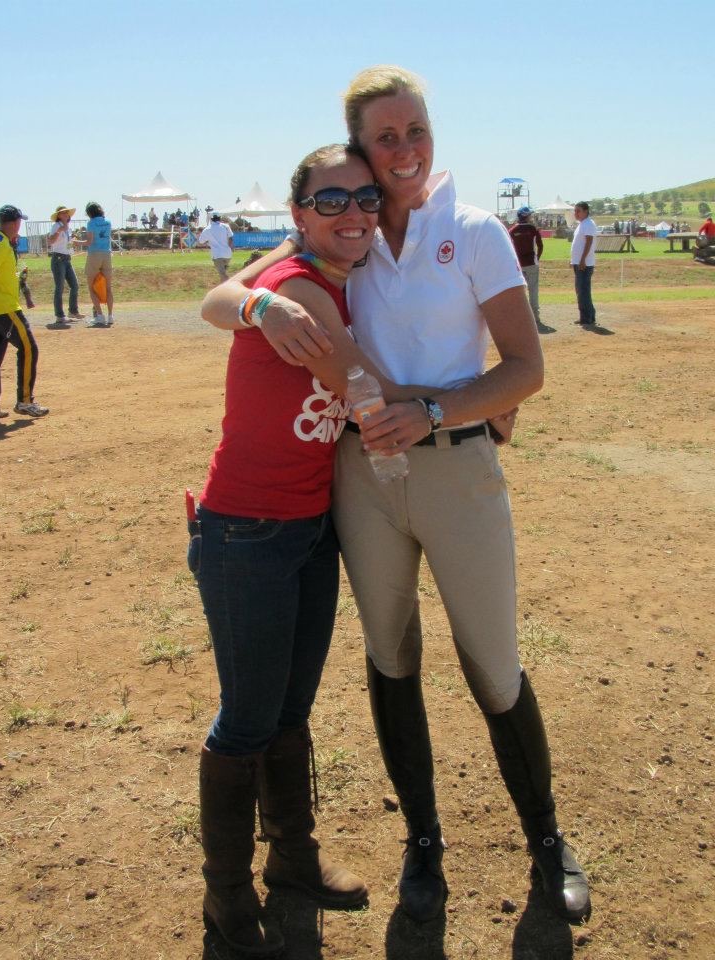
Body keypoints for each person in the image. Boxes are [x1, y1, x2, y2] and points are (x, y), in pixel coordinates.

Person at [203, 65, 590, 926]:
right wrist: (259, 310)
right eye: (387, 138)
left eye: (416, 130)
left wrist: (435, 410)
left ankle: (546, 838)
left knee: (493, 664)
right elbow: (226, 293)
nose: (406, 151)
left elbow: (527, 369)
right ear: (360, 152)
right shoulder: (348, 233)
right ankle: (423, 842)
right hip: (359, 477)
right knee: (390, 655)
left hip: (453, 467)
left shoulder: (478, 230)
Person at [195, 142, 442, 956]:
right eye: (330, 201)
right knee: (247, 720)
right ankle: (227, 899)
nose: (354, 214)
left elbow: (223, 292)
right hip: (247, 535)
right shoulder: (299, 290)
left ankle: (292, 862)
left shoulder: (326, 277)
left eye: (366, 198)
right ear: (300, 216)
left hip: (308, 531)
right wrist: (481, 400)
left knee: (289, 713)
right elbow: (364, 387)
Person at [0, 205, 49, 419]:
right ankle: (25, 401)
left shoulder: (2, 242)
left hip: (0, 307)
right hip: (5, 308)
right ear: (15, 222)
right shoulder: (0, 244)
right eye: (19, 222)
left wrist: (17, 278)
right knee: (29, 348)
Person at [47, 205, 84, 327]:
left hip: (67, 259)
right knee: (60, 287)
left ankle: (72, 311)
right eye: (63, 213)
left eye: (66, 213)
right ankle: (59, 315)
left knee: (74, 285)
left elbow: (67, 245)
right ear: (58, 215)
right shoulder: (56, 226)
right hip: (58, 258)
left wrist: (72, 244)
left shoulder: (68, 229)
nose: (65, 215)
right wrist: (59, 231)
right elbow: (51, 241)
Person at [508, 206, 544, 326]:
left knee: (519, 292)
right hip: (532, 264)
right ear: (526, 216)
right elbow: (540, 246)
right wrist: (536, 258)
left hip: (518, 265)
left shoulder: (512, 230)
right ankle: (535, 317)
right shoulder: (533, 229)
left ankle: (520, 317)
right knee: (533, 291)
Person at [82, 203, 114, 328]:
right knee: (108, 288)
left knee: (91, 287)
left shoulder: (91, 223)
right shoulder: (108, 222)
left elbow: (89, 241)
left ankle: (100, 315)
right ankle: (111, 315)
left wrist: (75, 242)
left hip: (94, 254)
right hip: (107, 254)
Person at [571, 201, 597, 326]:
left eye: (578, 211)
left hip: (584, 264)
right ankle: (587, 316)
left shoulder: (588, 224)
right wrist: (574, 260)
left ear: (586, 211)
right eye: (575, 211)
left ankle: (587, 317)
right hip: (578, 262)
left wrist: (582, 260)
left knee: (583, 290)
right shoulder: (581, 224)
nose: (575, 213)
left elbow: (589, 242)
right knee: (580, 290)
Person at [197, 213, 234, 282]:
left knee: (222, 274)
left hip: (217, 255)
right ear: (219, 218)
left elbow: (201, 242)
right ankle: (223, 289)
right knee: (223, 273)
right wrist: (231, 248)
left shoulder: (207, 229)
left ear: (211, 219)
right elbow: (231, 238)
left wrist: (208, 242)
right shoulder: (226, 226)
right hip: (227, 254)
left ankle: (231, 286)